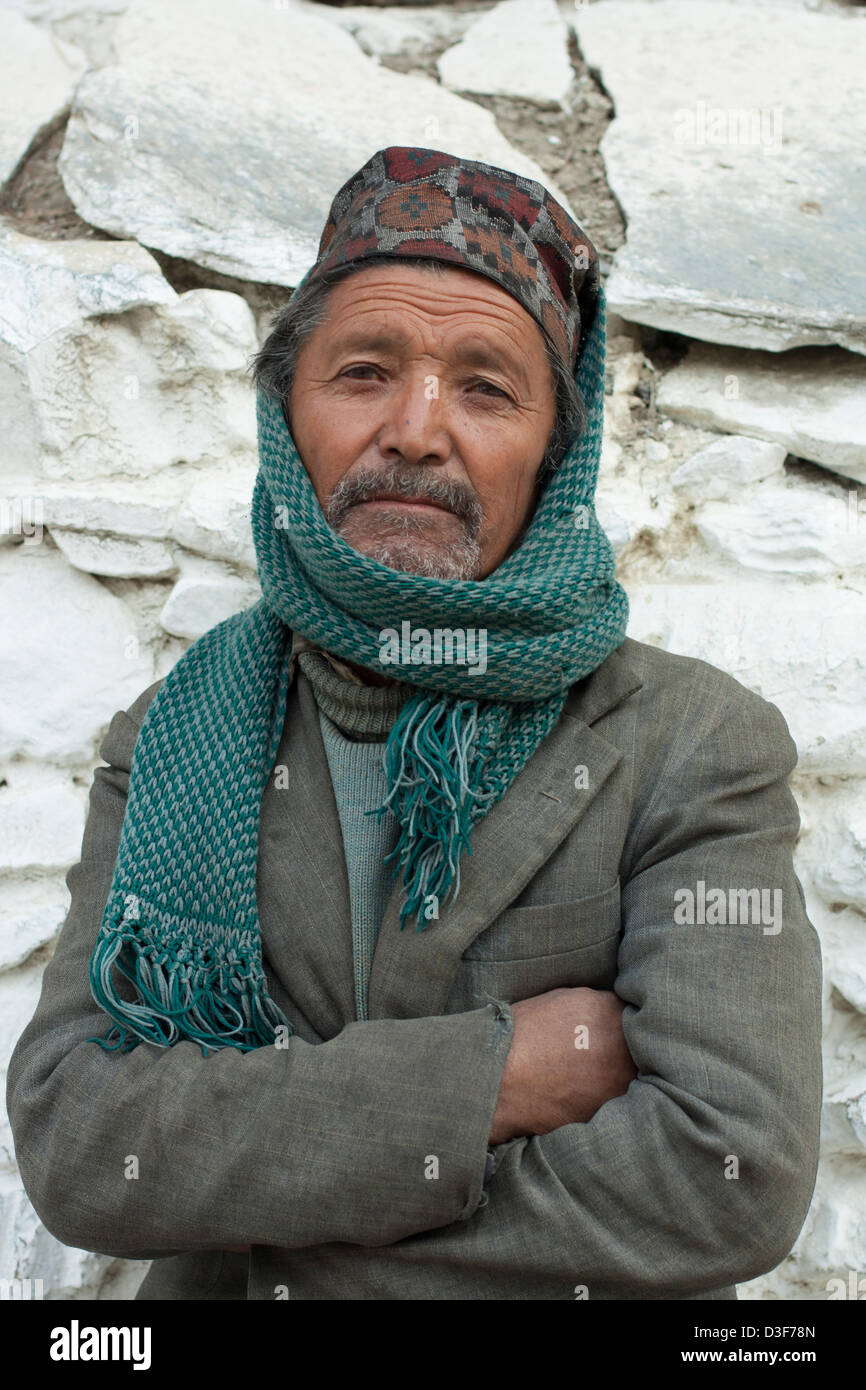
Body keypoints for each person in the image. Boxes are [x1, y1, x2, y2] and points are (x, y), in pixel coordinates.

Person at [6, 146, 822, 1301]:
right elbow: (81, 1147)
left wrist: (265, 1219)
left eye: (484, 387)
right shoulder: (175, 737)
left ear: (555, 452)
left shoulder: (686, 743)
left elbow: (725, 1175)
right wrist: (502, 1078)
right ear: (288, 413)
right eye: (361, 372)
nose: (415, 430)